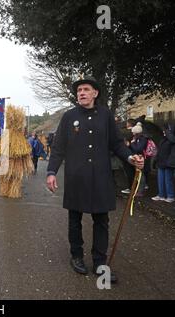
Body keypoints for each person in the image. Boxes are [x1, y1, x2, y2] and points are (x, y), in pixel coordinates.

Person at [46, 76, 144, 284]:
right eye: (79, 90)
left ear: (95, 93)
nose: (81, 92)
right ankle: (77, 256)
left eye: (86, 89)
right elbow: (59, 147)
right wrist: (51, 172)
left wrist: (130, 157)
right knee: (75, 219)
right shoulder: (69, 116)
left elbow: (117, 143)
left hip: (101, 176)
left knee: (101, 221)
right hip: (76, 177)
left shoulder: (106, 116)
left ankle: (100, 262)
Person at [151, 123, 175, 203]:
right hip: (161, 162)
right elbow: (160, 150)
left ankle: (170, 196)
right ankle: (161, 195)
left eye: (165, 130)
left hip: (168, 163)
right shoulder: (163, 139)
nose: (164, 132)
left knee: (168, 180)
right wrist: (156, 159)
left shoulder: (172, 140)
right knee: (160, 180)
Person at [128, 122, 149, 196]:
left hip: (141, 158)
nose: (132, 134)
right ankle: (138, 189)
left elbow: (138, 149)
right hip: (137, 157)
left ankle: (140, 191)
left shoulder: (143, 139)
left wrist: (132, 143)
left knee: (141, 175)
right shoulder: (137, 138)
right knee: (138, 174)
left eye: (133, 132)